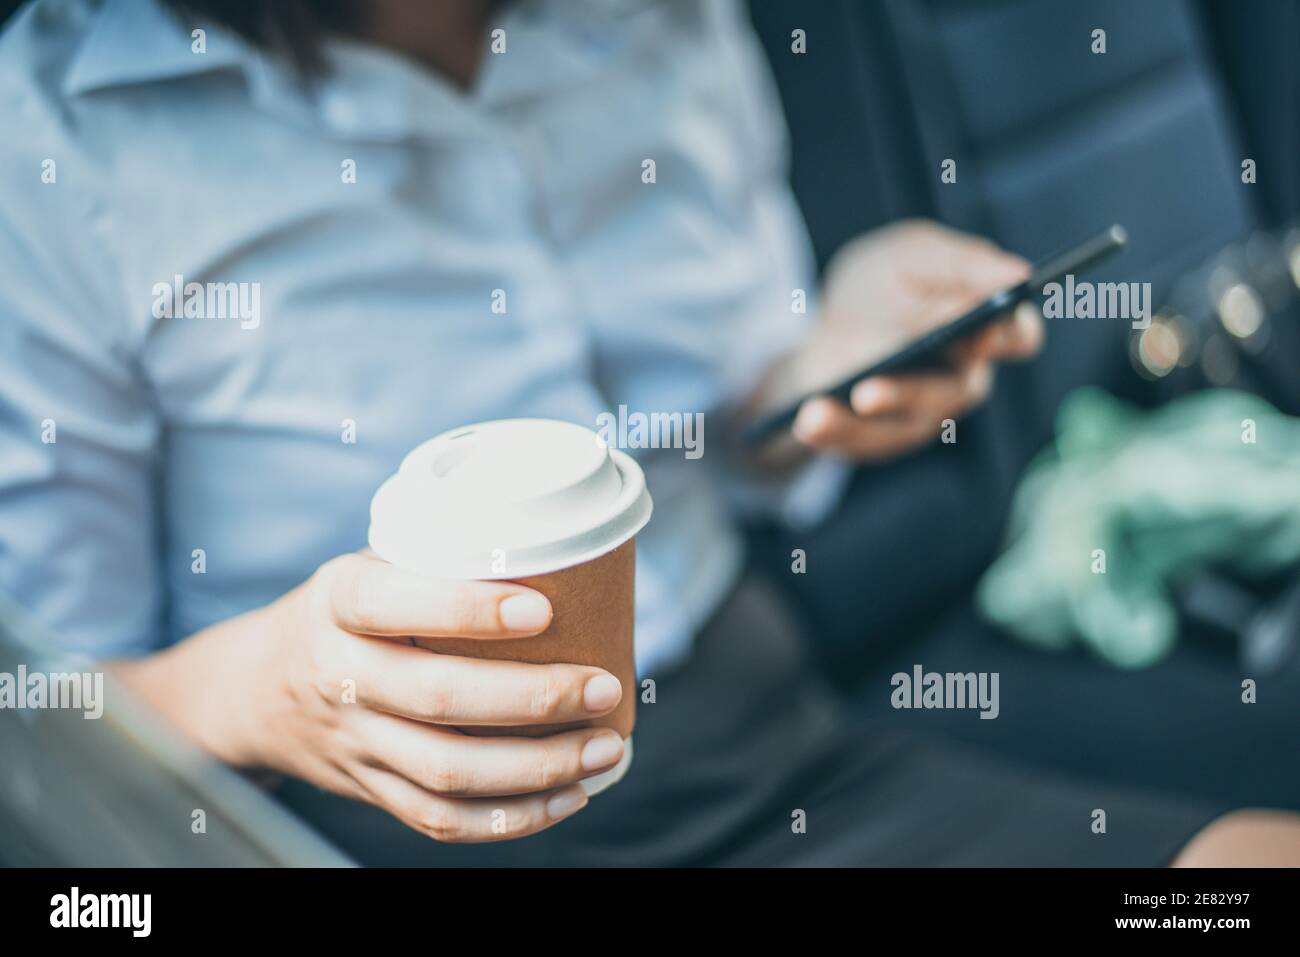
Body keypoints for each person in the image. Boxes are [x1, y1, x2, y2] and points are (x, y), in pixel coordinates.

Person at [1, 0, 1296, 864]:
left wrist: (822, 368)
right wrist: (263, 691)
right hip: (370, 835)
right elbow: (37, 705)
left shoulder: (662, 25)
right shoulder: (61, 140)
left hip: (771, 752)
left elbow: (726, 441)